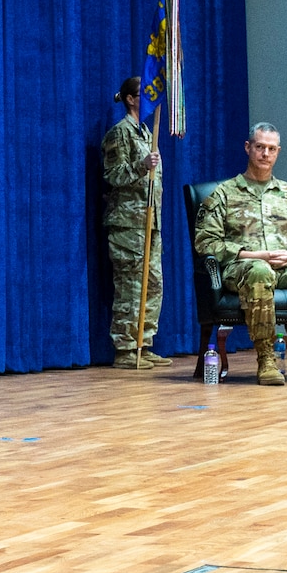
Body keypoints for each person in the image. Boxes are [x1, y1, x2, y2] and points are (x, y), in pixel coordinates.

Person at [193, 122, 287, 385]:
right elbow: (206, 242)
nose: (265, 154)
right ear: (248, 147)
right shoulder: (223, 195)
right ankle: (266, 360)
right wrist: (253, 256)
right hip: (243, 268)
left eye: (271, 149)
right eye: (260, 147)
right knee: (260, 270)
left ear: (278, 152)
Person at [101, 76, 170, 369]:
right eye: (145, 95)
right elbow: (113, 176)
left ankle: (144, 342)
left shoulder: (145, 133)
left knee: (152, 285)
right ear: (130, 99)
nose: (150, 101)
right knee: (131, 286)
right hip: (128, 224)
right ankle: (126, 349)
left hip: (149, 222)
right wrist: (142, 166)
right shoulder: (121, 134)